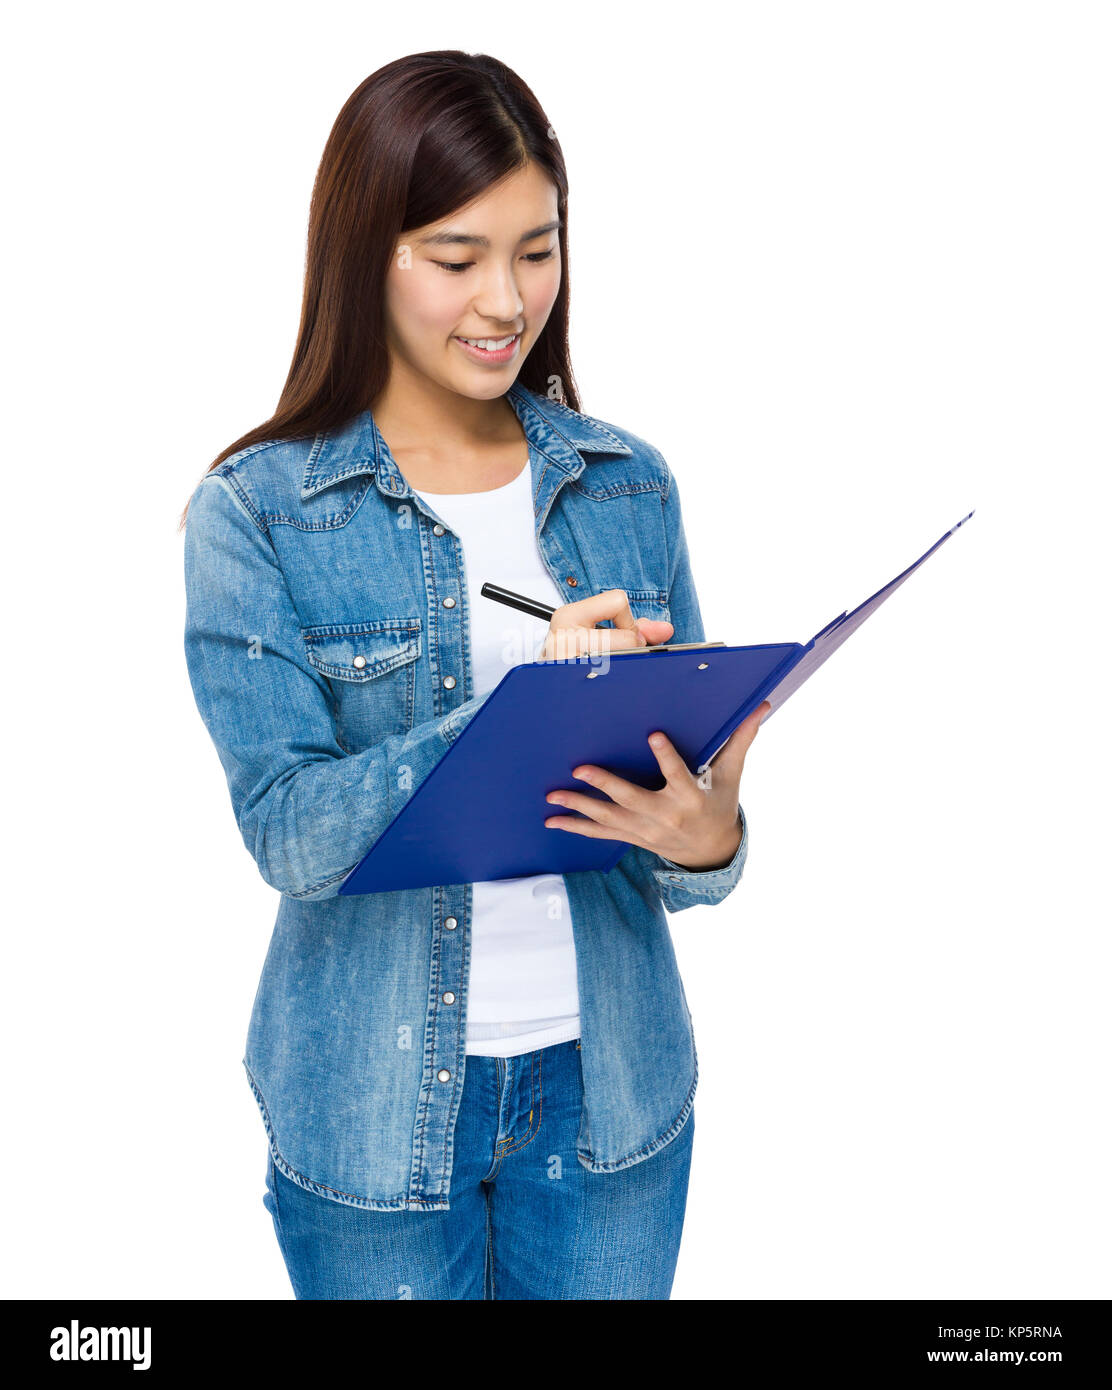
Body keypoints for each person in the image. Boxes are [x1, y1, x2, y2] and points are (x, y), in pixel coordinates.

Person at [181, 49, 768, 1301]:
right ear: (364, 252)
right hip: (370, 1109)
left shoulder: (626, 484)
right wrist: (513, 720)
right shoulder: (259, 513)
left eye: (537, 250)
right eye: (456, 258)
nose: (507, 299)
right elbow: (289, 832)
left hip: (609, 1097)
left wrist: (707, 835)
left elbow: (687, 852)